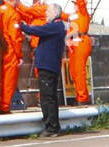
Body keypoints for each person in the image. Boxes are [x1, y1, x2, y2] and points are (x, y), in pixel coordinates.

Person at [20, 3, 67, 137]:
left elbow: (37, 30)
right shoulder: (57, 27)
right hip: (49, 66)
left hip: (48, 66)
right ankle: (52, 125)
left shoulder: (55, 27)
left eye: (48, 12)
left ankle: (51, 127)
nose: (46, 14)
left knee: (48, 97)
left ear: (55, 13)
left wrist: (22, 26)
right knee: (49, 97)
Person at [0, 0, 25, 114]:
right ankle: (4, 107)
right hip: (10, 51)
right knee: (9, 80)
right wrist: (19, 55)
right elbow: (15, 38)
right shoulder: (13, 14)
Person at [67, 0, 92, 105]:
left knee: (79, 71)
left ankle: (82, 98)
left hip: (81, 41)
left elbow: (82, 4)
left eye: (76, 4)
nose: (74, 6)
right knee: (74, 71)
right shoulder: (74, 16)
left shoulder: (83, 13)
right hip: (74, 42)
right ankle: (81, 95)